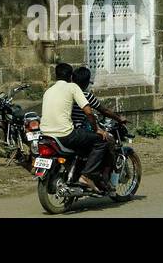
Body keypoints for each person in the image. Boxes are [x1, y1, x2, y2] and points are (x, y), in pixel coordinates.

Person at [39, 61, 111, 192]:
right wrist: (97, 129)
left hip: (45, 135)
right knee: (101, 141)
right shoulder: (73, 87)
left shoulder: (48, 91)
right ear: (71, 77)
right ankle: (86, 175)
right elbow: (88, 111)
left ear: (56, 76)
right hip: (65, 134)